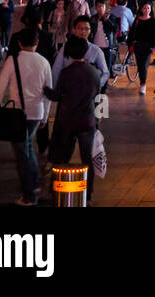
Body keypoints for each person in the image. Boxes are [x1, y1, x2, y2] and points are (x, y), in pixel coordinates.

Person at [0, 26, 54, 205]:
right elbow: (48, 93)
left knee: (22, 153)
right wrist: (45, 117)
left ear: (19, 43)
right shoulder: (44, 62)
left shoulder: (13, 60)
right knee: (25, 149)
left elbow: (0, 87)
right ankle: (33, 184)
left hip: (17, 114)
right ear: (37, 43)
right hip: (36, 113)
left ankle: (30, 193)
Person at [43, 36, 102, 202]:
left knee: (62, 157)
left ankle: (56, 189)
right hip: (88, 120)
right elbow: (97, 95)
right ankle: (88, 194)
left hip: (67, 121)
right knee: (87, 159)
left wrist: (45, 89)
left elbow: (55, 96)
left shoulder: (66, 73)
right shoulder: (94, 72)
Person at [130, 1, 155, 94]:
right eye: (145, 8)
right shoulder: (137, 20)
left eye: (148, 8)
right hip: (138, 46)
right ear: (141, 9)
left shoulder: (153, 21)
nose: (146, 10)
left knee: (144, 65)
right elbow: (132, 33)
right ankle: (142, 82)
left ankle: (143, 84)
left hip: (148, 47)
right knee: (140, 65)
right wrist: (130, 43)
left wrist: (154, 46)